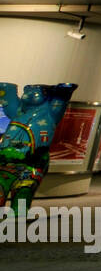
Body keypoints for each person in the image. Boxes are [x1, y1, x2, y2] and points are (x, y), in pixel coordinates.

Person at [0, 82, 78, 210]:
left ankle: (19, 212)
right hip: (4, 163)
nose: (29, 94)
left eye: (35, 91)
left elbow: (60, 101)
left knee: (23, 189)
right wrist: (5, 88)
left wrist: (62, 92)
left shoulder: (49, 112)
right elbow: (8, 99)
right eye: (27, 91)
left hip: (32, 164)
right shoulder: (19, 110)